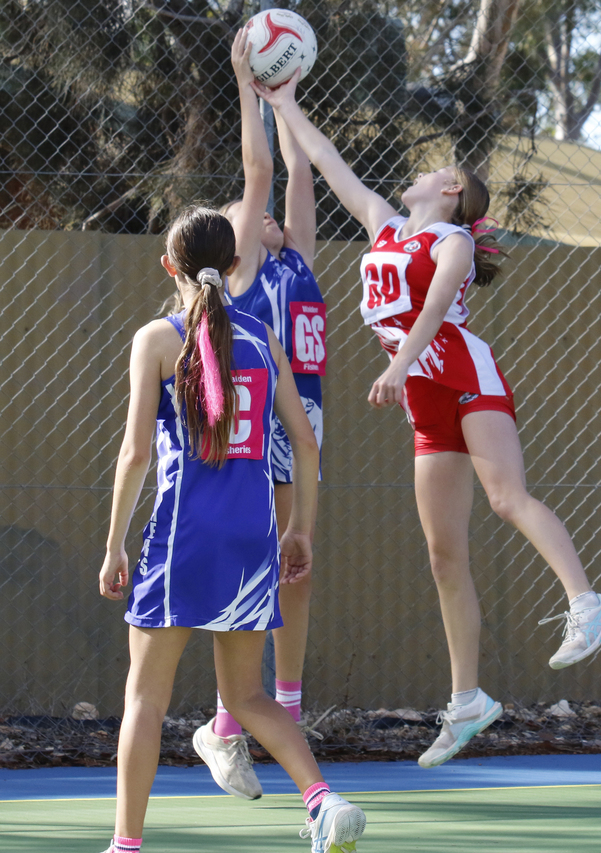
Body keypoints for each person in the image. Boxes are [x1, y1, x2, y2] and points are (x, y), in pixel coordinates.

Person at [252, 71, 601, 769]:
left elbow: (430, 315)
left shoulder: (448, 242)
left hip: (461, 377)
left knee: (506, 497)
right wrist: (284, 104)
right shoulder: (386, 227)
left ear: (452, 191)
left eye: (436, 169)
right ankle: (467, 701)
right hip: (424, 398)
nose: (421, 172)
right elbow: (331, 162)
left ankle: (589, 600)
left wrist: (397, 365)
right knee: (442, 553)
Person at [97, 205, 365, 853]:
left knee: (146, 701)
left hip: (182, 538)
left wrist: (113, 543)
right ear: (236, 264)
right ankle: (323, 801)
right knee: (247, 694)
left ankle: (126, 844)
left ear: (169, 265)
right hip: (251, 539)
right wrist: (299, 527)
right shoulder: (262, 341)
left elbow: (135, 453)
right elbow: (304, 441)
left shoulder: (158, 339)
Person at [201, 28, 327, 799]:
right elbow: (258, 172)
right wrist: (248, 89)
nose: (265, 213)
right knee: (269, 572)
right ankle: (233, 723)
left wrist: (287, 102)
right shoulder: (243, 270)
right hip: (259, 432)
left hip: (304, 428)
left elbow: (295, 172)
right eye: (246, 215)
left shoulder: (298, 258)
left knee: (298, 573)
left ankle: (265, 711)